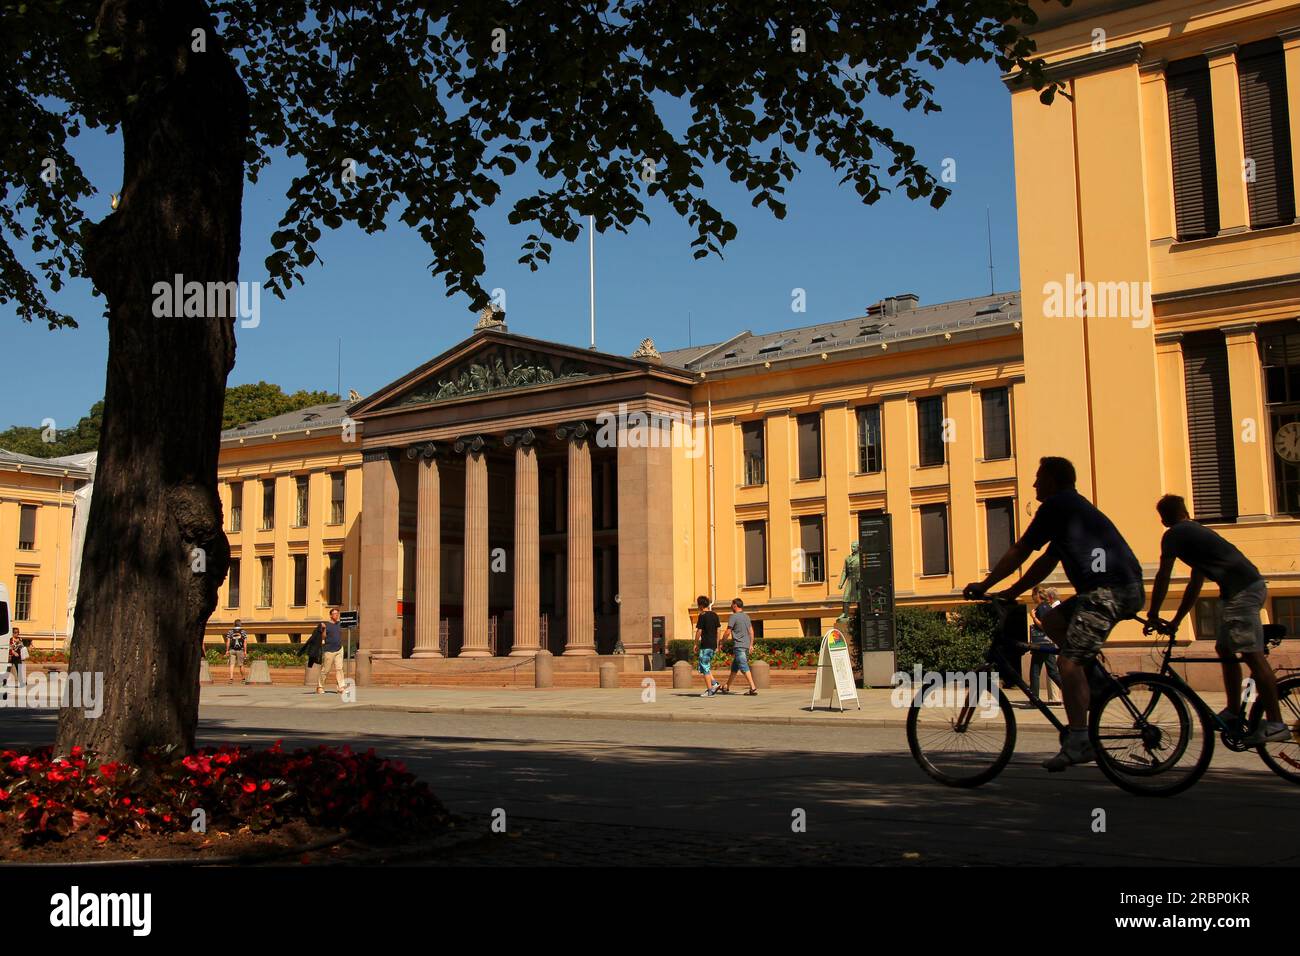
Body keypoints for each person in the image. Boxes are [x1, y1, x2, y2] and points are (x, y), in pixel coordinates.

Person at [965, 456, 1145, 771]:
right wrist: (1011, 592)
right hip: (1112, 588)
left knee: (1067, 663)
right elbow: (1045, 562)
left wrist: (984, 584)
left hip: (1109, 591)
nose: (1034, 484)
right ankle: (1097, 681)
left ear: (1052, 480)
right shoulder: (1071, 510)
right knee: (1051, 619)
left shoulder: (1058, 505)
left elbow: (1021, 550)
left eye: (1038, 478)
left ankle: (1078, 740)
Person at [1146, 494, 1290, 744]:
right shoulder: (1196, 534)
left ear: (1163, 518)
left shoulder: (1175, 535)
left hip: (1241, 592)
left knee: (1252, 656)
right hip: (1242, 589)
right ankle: (1234, 712)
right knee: (1224, 648)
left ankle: (1276, 724)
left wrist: (1153, 612)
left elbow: (1163, 575)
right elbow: (1194, 585)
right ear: (1185, 511)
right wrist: (1177, 619)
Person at [1029, 587, 1063, 704]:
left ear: (1038, 595)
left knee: (1034, 671)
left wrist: (1033, 618)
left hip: (1041, 644)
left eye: (1033, 595)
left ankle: (1034, 700)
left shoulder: (1042, 608)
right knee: (1053, 672)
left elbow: (1044, 626)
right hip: (1049, 644)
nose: (1032, 597)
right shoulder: (1047, 607)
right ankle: (1070, 692)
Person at [720, 598, 758, 696]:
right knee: (734, 668)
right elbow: (751, 631)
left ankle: (753, 687)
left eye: (732, 605)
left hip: (739, 646)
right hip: (745, 646)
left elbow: (728, 632)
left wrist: (721, 642)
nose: (731, 606)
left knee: (743, 666)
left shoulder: (733, 617)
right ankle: (727, 686)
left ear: (735, 605)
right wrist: (751, 645)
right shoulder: (746, 616)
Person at [693, 596, 722, 696]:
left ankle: (710, 690)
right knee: (704, 666)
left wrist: (695, 643)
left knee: (704, 667)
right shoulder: (714, 615)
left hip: (705, 645)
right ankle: (714, 683)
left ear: (701, 606)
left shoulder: (702, 615)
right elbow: (719, 630)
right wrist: (717, 644)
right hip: (713, 645)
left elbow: (699, 631)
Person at [317, 607, 347, 695]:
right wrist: (324, 629)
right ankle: (320, 686)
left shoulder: (339, 624)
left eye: (337, 614)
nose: (336, 615)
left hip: (339, 649)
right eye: (334, 614)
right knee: (326, 670)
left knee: (339, 669)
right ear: (330, 615)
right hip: (329, 650)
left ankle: (340, 687)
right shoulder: (326, 625)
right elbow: (323, 637)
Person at [224, 619, 249, 684]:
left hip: (232, 650)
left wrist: (227, 650)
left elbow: (228, 641)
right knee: (241, 665)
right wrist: (245, 651)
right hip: (240, 650)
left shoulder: (230, 631)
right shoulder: (243, 632)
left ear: (234, 624)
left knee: (232, 664)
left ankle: (231, 678)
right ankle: (243, 679)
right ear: (240, 624)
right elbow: (245, 642)